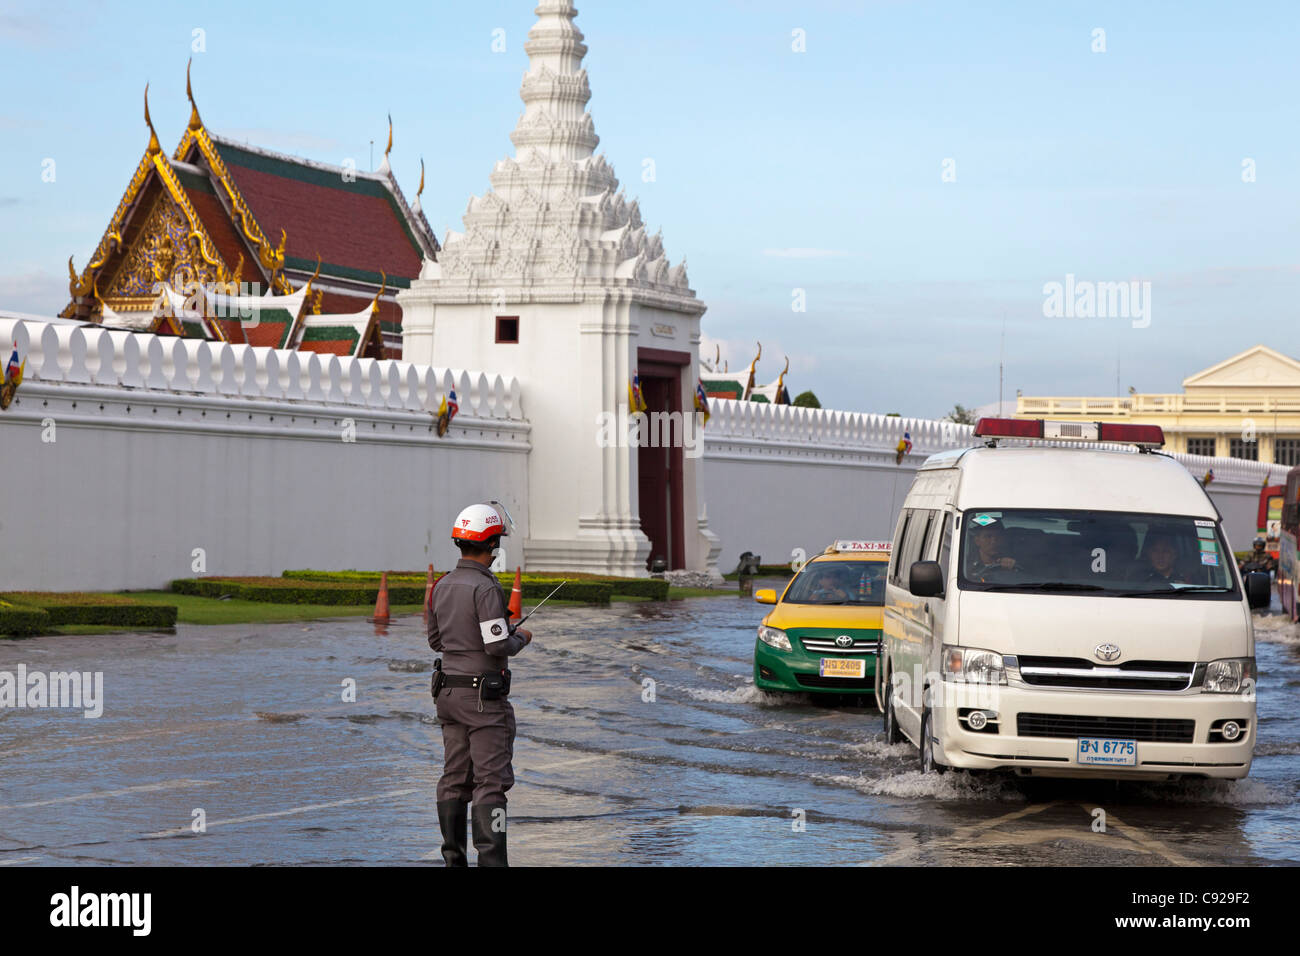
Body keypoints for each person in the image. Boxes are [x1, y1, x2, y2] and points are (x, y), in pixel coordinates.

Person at [428, 502, 532, 867]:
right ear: (491, 544)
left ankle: (453, 861)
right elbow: (497, 644)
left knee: (454, 778)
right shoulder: (486, 587)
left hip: (448, 694)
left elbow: (435, 640)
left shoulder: (441, 585)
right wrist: (521, 638)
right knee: (491, 783)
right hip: (483, 700)